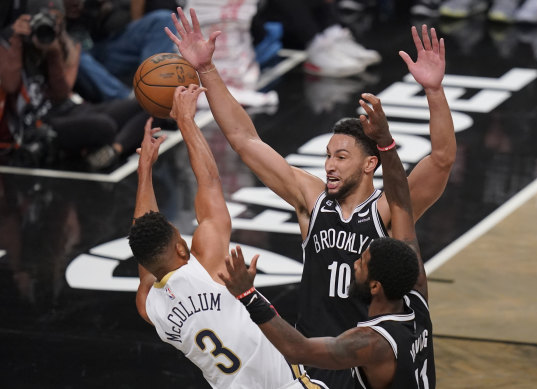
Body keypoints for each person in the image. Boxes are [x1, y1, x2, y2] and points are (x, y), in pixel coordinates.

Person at [166, 7, 454, 387]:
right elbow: (245, 139)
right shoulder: (311, 200)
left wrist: (434, 90)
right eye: (327, 156)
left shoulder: (387, 211)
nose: (330, 166)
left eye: (341, 157)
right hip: (311, 359)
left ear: (371, 164)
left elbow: (441, 159)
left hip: (364, 358)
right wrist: (206, 69)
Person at [129, 83, 322, 388]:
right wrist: (187, 122)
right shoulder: (207, 266)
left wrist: (144, 173)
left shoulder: (150, 305)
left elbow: (144, 242)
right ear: (181, 248)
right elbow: (209, 184)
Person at [218, 120, 434, 388]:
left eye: (362, 261)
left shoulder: (373, 342)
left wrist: (248, 296)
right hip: (326, 355)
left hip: (335, 356)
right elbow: (401, 199)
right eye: (328, 156)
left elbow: (299, 350)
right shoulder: (417, 301)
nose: (355, 263)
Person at [0, 0, 148, 169]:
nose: (46, 26)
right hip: (39, 123)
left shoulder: (54, 42)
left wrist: (53, 53)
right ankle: (109, 145)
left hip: (66, 108)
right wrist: (18, 42)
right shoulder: (11, 40)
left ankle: (113, 150)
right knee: (104, 126)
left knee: (149, 105)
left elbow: (61, 94)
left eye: (55, 22)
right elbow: (10, 85)